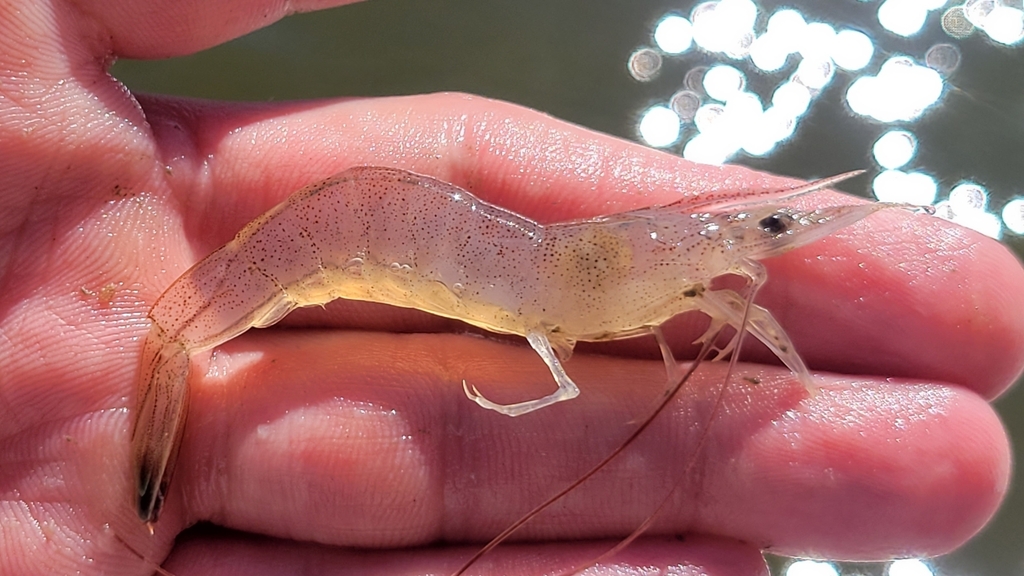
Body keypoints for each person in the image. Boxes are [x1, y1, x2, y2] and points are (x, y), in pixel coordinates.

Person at [1, 1, 1020, 574]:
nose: (757, 251)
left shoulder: (678, 264)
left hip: (454, 250)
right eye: (767, 226)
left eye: (767, 229)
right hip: (360, 238)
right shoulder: (640, 277)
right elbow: (590, 344)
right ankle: (168, 358)